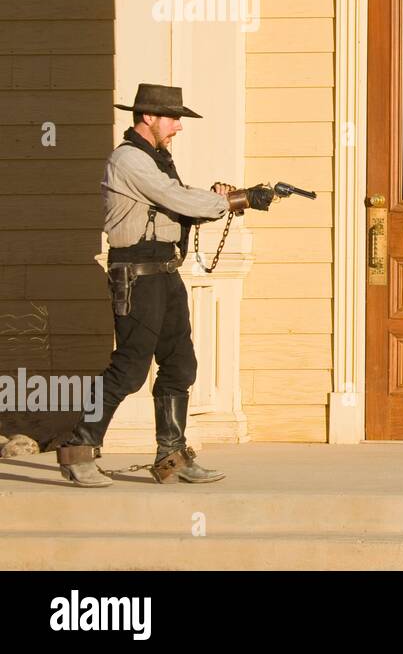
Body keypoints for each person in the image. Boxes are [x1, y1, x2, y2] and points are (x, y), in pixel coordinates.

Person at [55, 84, 274, 488]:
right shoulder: (128, 159)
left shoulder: (157, 159)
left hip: (163, 272)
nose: (177, 127)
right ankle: (78, 449)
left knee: (180, 364)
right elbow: (173, 197)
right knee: (130, 368)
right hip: (136, 274)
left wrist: (213, 199)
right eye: (173, 118)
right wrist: (239, 199)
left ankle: (171, 457)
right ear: (148, 118)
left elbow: (176, 204)